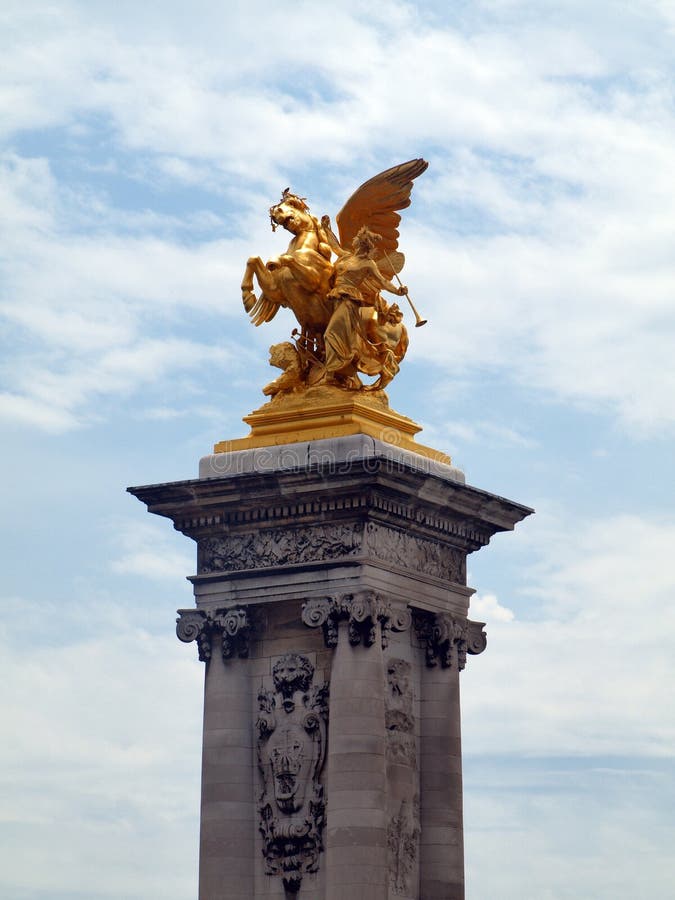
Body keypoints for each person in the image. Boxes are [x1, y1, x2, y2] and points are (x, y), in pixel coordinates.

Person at [323, 226, 408, 388]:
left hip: (350, 302)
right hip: (335, 299)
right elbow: (335, 246)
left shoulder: (368, 263)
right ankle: (338, 371)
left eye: (362, 243)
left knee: (330, 334)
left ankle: (331, 373)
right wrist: (326, 229)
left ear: (365, 246)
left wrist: (398, 291)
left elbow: (382, 282)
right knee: (340, 336)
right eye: (359, 242)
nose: (358, 244)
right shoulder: (346, 256)